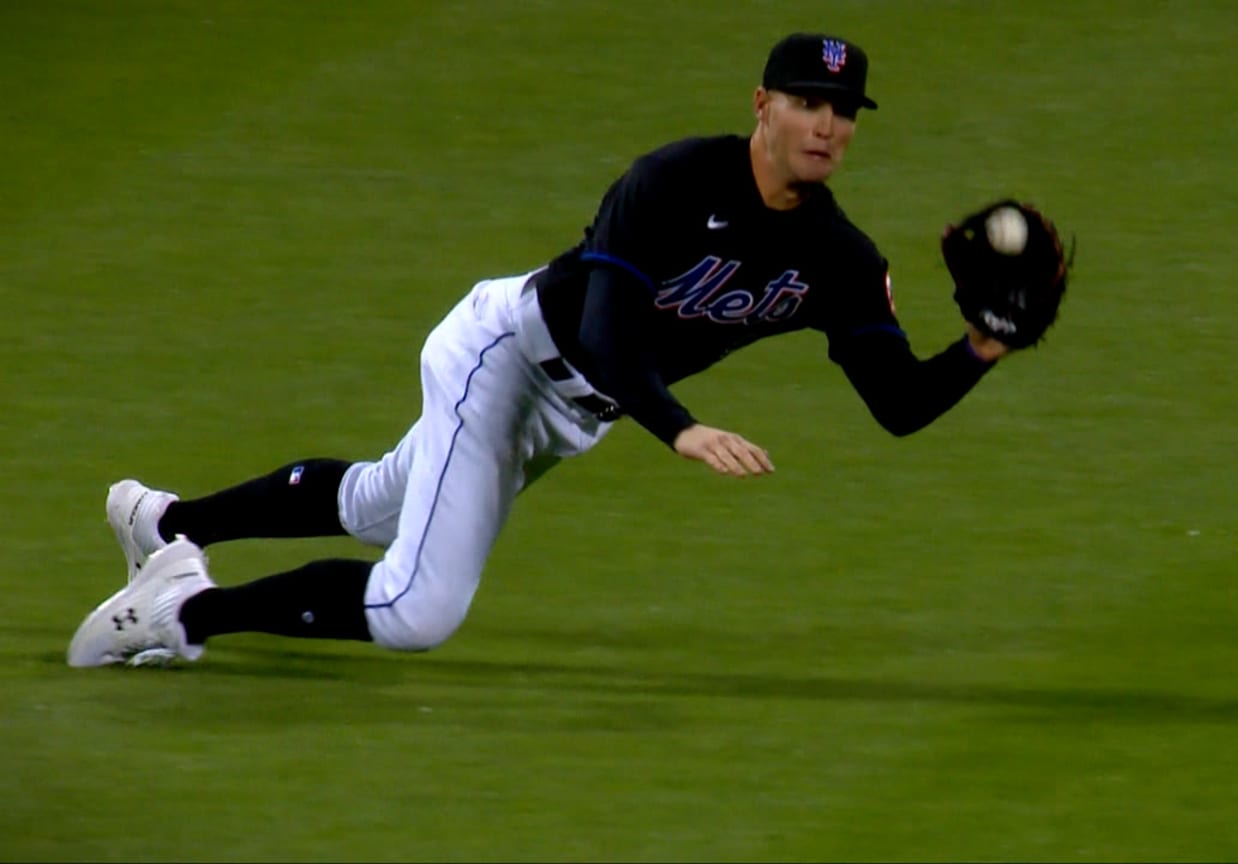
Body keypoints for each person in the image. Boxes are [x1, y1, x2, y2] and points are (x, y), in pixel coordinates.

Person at [67, 32, 1017, 668]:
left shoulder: (840, 258)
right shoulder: (673, 182)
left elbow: (895, 402)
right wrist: (678, 429)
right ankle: (181, 613)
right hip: (508, 353)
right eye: (810, 101)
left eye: (845, 112)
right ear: (763, 103)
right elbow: (607, 326)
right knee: (415, 609)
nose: (828, 125)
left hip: (576, 411)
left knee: (372, 506)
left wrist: (982, 347)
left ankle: (165, 521)